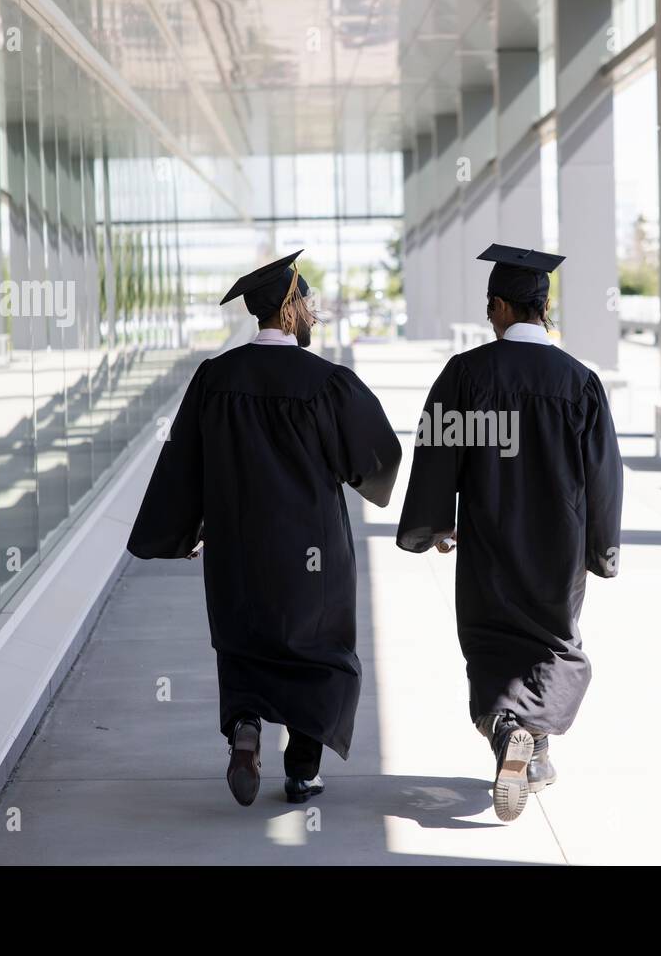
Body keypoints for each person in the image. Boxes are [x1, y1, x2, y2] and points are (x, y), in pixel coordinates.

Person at [127, 250, 402, 807]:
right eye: (304, 301)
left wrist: (182, 529)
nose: (310, 311)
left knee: (244, 644)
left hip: (238, 547)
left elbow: (184, 461)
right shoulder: (326, 382)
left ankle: (246, 728)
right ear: (286, 306)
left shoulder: (215, 378)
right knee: (319, 653)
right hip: (312, 555)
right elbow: (376, 456)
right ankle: (301, 772)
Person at [395, 243, 623, 822]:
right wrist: (602, 550)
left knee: (491, 642)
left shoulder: (467, 374)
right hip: (558, 548)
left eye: (490, 306)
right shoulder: (580, 382)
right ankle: (531, 742)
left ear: (500, 305)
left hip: (489, 543)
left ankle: (506, 732)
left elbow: (437, 451)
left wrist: (433, 525)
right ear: (542, 308)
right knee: (554, 646)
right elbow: (604, 476)